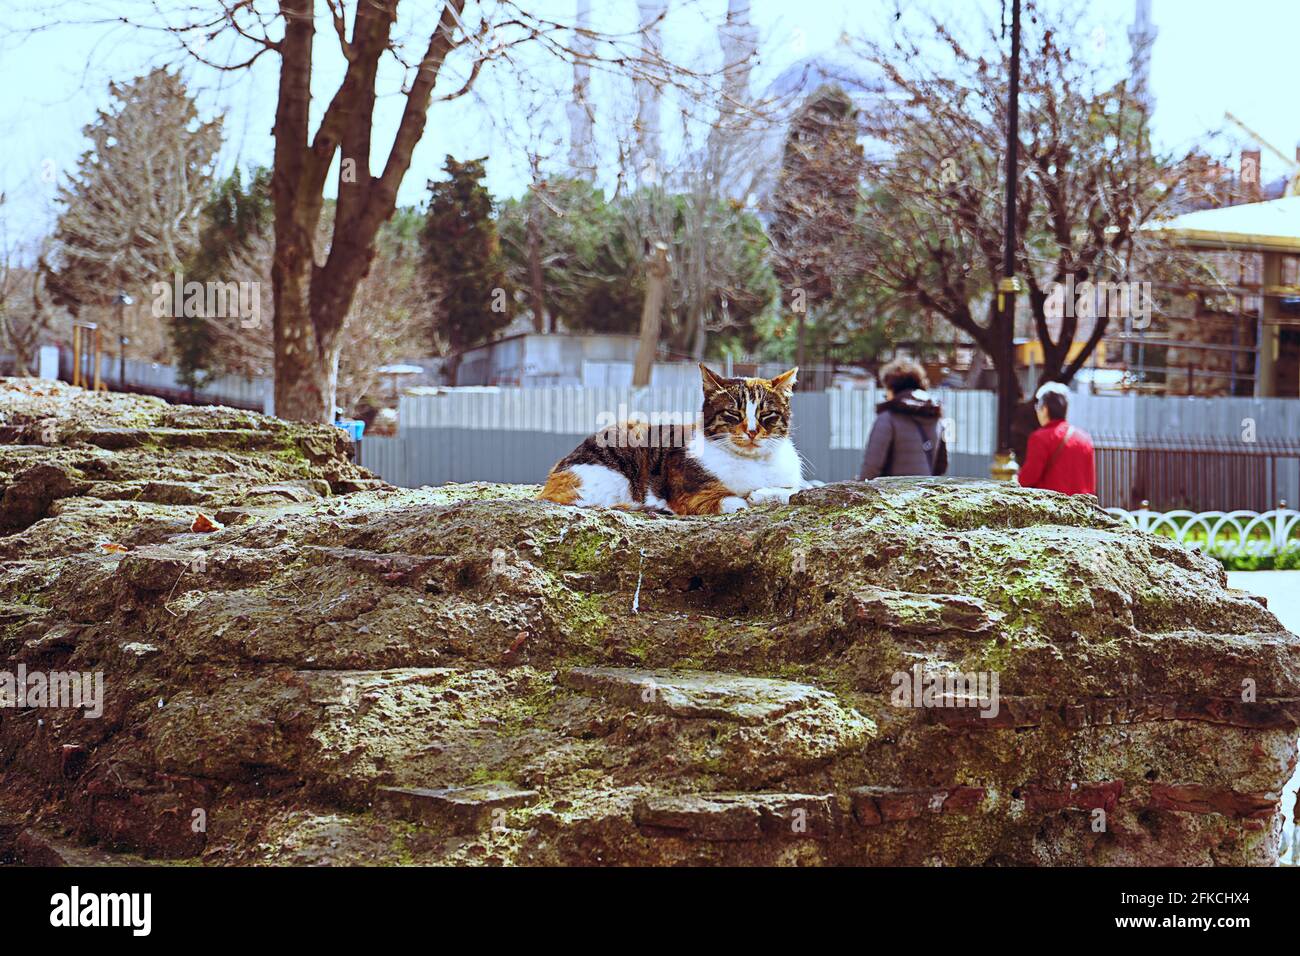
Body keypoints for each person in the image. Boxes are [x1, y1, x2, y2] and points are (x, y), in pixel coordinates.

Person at [858, 358, 948, 479]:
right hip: (924, 492)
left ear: (892, 387)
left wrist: (860, 486)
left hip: (892, 494)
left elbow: (872, 466)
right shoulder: (935, 415)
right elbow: (941, 465)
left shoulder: (888, 418)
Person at [1017, 382, 1096, 496]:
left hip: (1051, 508)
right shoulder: (1085, 438)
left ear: (1045, 409)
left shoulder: (1039, 437)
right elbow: (1090, 484)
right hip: (1080, 510)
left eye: (1038, 408)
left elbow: (1028, 478)